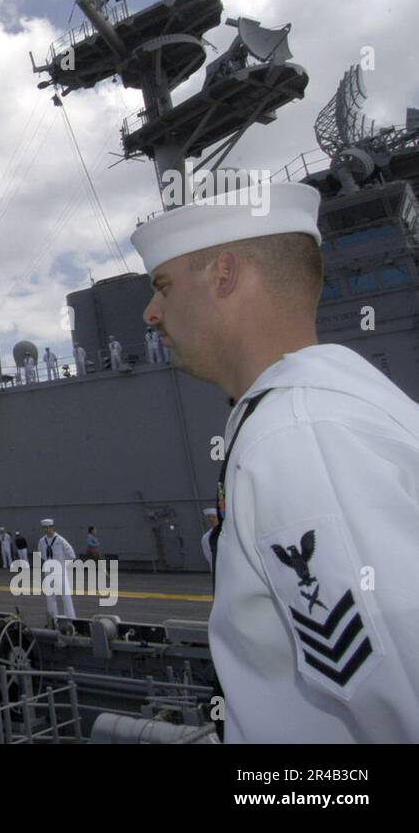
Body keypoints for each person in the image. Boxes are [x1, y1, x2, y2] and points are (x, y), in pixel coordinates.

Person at [132, 180, 419, 742]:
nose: (150, 312)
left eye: (162, 286)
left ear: (224, 274)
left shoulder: (299, 437)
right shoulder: (340, 407)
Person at [38, 519, 76, 621]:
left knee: (65, 596)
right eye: (45, 528)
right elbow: (41, 554)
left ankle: (71, 619)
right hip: (48, 572)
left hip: (60, 572)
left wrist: (62, 564)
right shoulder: (42, 541)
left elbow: (71, 554)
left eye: (49, 527)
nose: (47, 530)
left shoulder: (60, 540)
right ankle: (53, 620)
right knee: (50, 598)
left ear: (53, 527)